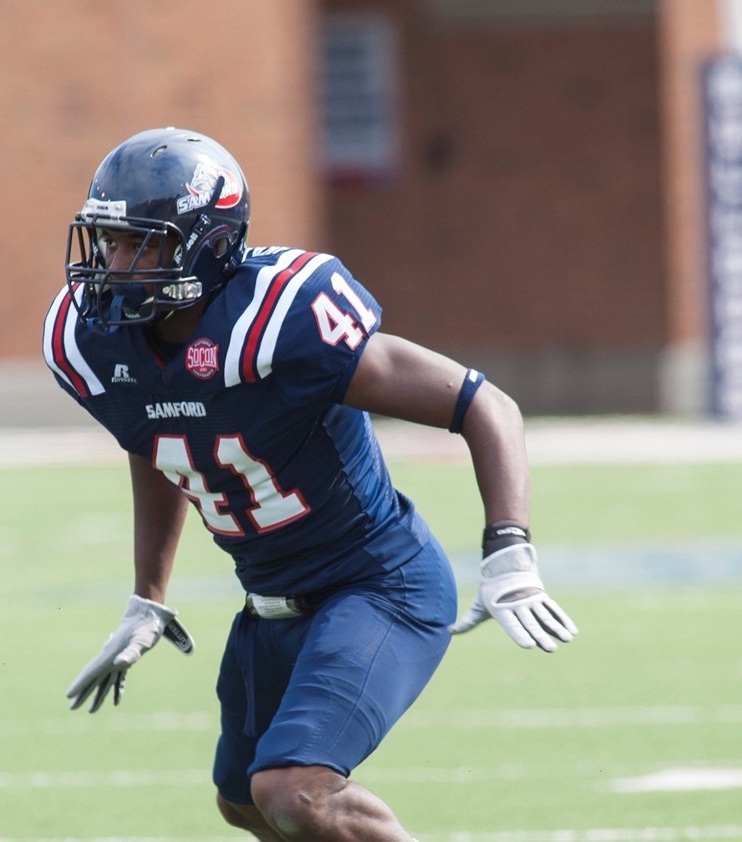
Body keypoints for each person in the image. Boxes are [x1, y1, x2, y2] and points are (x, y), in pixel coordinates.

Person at [43, 127, 578, 841]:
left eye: (142, 244)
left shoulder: (281, 317)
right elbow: (156, 439)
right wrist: (148, 596)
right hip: (268, 607)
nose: (113, 263)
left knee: (296, 792)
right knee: (243, 803)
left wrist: (508, 551)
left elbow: (484, 404)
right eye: (108, 240)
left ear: (205, 245)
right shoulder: (90, 338)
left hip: (377, 584)